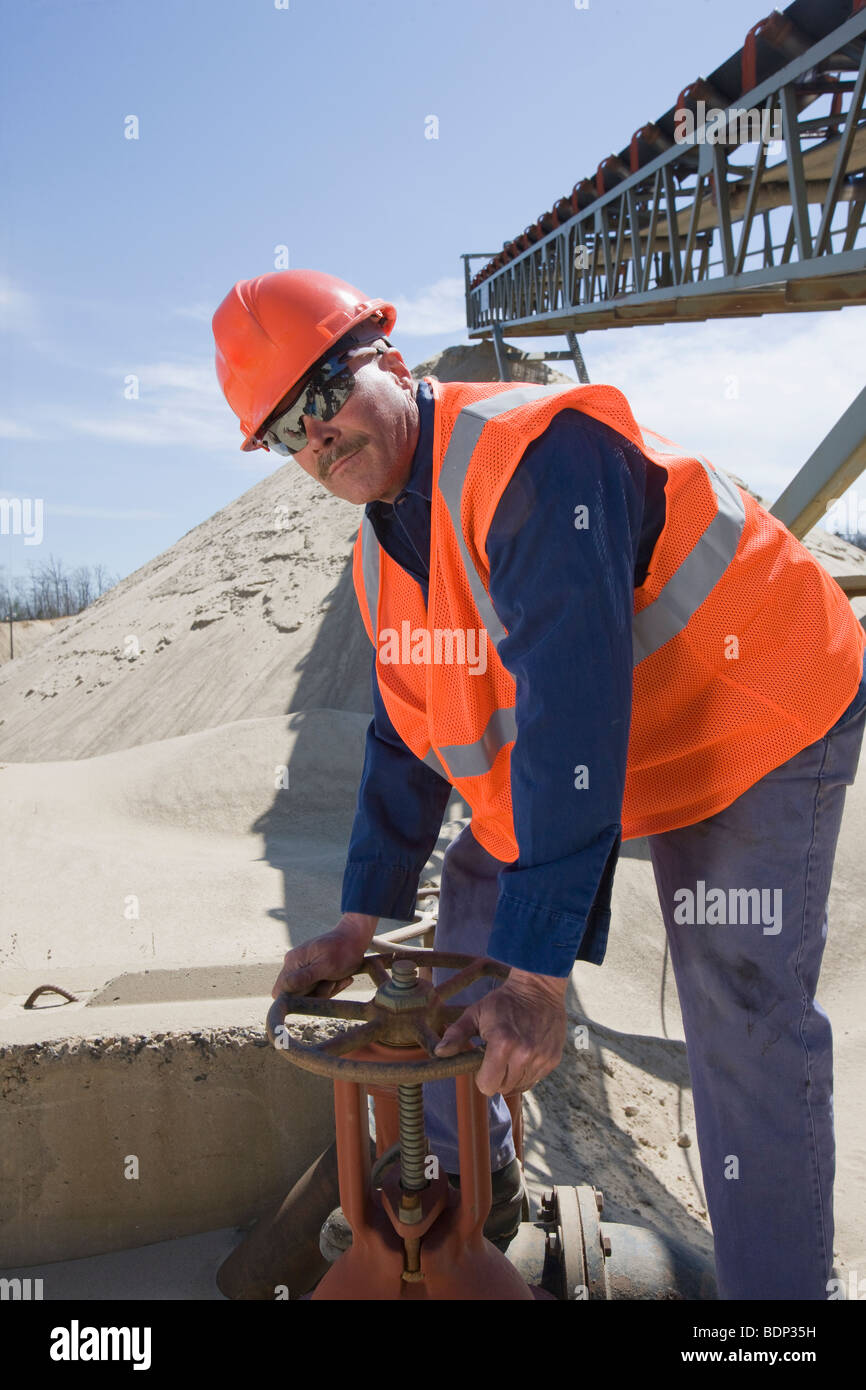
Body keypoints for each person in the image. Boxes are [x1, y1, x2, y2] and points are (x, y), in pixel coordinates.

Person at [213, 269, 866, 1299]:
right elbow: (404, 738)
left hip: (755, 707)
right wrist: (354, 922)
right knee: (468, 913)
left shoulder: (529, 456)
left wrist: (539, 980)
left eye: (324, 393)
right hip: (625, 731)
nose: (315, 437)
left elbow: (570, 715)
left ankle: (775, 1313)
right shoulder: (382, 556)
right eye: (283, 429)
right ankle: (477, 1179)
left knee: (737, 1010)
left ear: (385, 355)